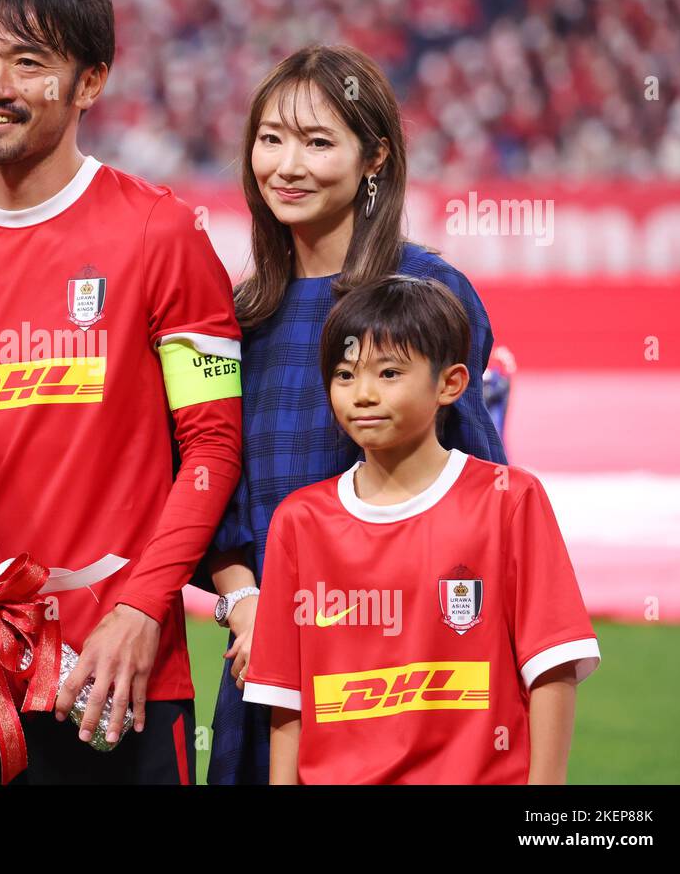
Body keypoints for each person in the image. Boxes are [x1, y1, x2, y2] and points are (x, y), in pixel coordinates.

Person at [0, 0, 243, 784]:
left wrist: (144, 608)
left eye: (29, 62)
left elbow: (214, 447)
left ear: (90, 82)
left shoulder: (163, 236)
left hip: (121, 673)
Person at [204, 45, 508, 785]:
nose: (286, 165)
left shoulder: (430, 293)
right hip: (265, 666)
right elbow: (211, 485)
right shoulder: (232, 318)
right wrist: (245, 602)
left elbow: (474, 494)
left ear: (374, 157)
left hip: (397, 664)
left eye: (317, 142)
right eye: (271, 139)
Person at [242, 275, 599, 783]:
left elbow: (552, 666)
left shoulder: (510, 500)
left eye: (389, 373)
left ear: (450, 384)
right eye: (345, 375)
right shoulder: (300, 521)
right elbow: (286, 700)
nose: (363, 394)